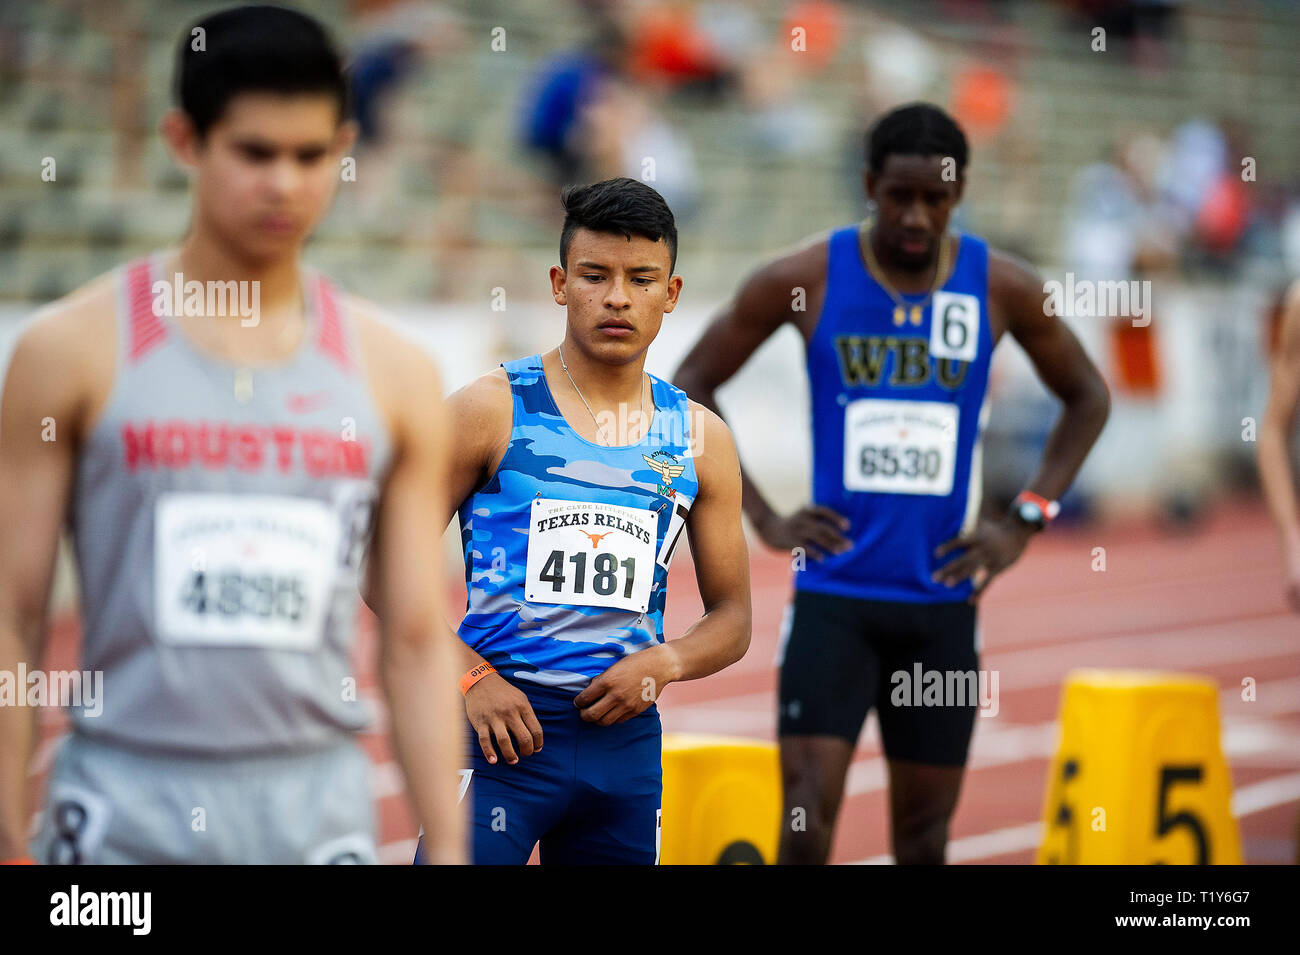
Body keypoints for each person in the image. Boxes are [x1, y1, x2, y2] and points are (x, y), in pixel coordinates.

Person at [0, 5, 463, 865]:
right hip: (122, 807)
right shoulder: (69, 352)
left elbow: (413, 637)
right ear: (185, 140)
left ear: (345, 147)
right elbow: (14, 614)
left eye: (311, 155)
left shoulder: (396, 374)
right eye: (254, 153)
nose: (284, 184)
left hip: (317, 811)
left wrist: (449, 850)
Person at [673, 103, 1110, 864]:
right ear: (870, 183)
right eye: (898, 195)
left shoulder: (1001, 287)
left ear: (959, 190)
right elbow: (693, 383)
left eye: (934, 199)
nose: (915, 215)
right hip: (834, 600)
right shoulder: (805, 277)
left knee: (923, 838)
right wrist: (765, 517)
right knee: (805, 819)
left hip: (941, 607)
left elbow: (1089, 395)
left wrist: (1024, 518)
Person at [409, 177, 751, 864]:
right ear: (562, 283)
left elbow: (735, 618)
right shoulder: (489, 409)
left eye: (641, 278)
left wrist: (666, 661)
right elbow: (383, 571)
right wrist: (472, 680)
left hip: (623, 744)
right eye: (595, 275)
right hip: (499, 730)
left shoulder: (700, 438)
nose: (618, 296)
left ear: (671, 293)